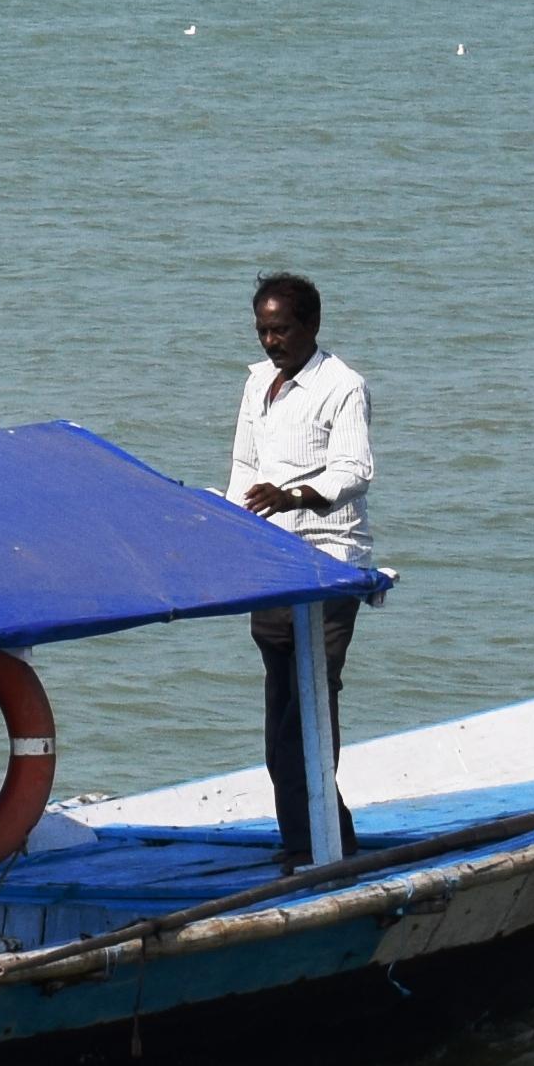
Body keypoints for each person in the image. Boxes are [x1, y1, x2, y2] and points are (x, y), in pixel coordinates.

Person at [228, 274, 376, 865]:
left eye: (281, 329)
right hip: (272, 565)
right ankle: (308, 840)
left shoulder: (343, 387)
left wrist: (295, 498)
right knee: (279, 720)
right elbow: (244, 467)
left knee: (310, 707)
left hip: (328, 565)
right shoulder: (258, 383)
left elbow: (354, 470)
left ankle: (323, 846)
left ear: (311, 326)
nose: (271, 341)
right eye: (263, 329)